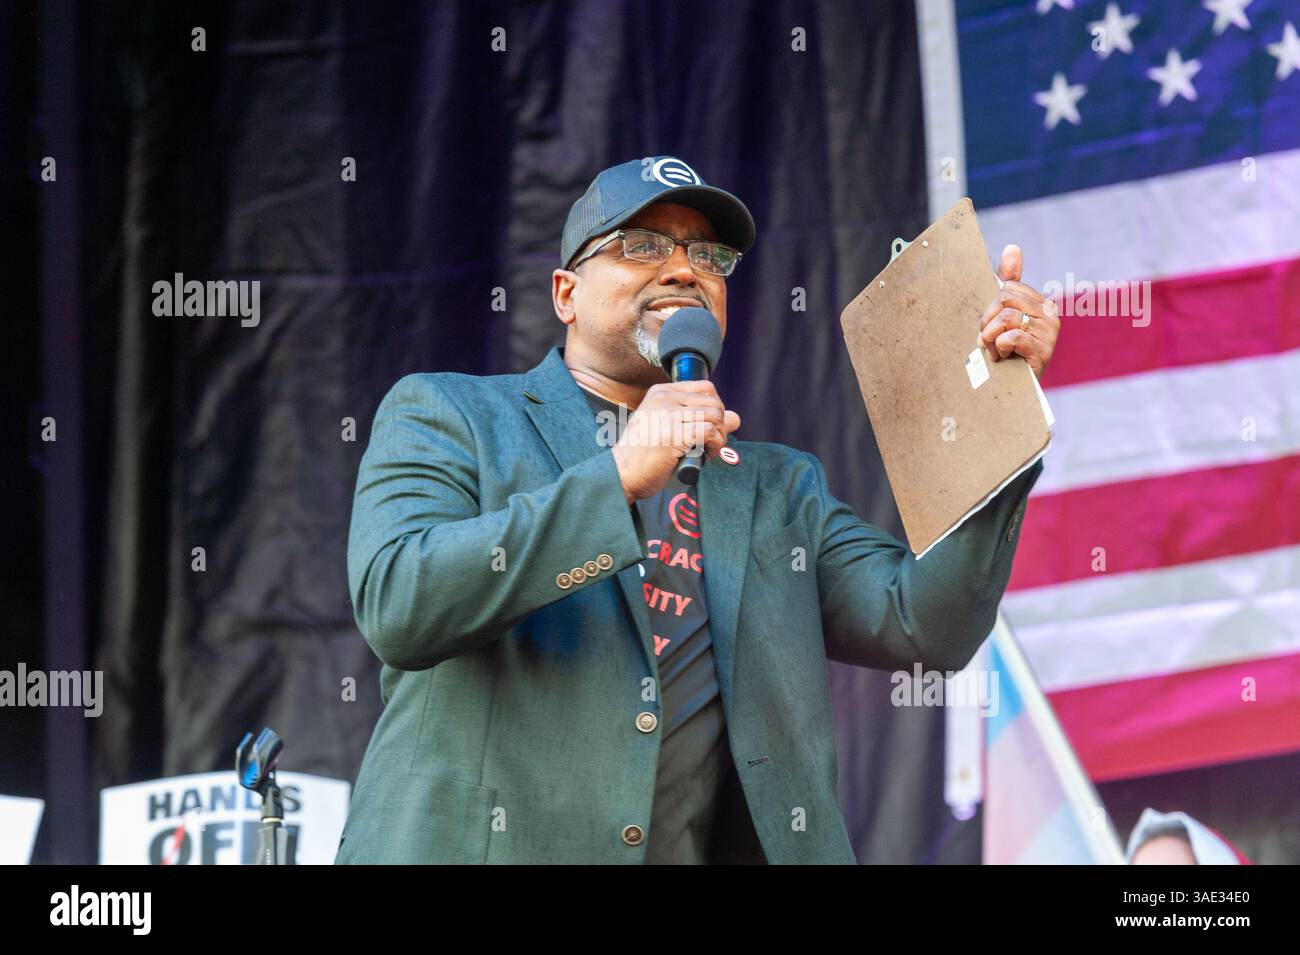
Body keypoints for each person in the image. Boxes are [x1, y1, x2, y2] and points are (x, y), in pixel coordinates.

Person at [334, 156, 1061, 864]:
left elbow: (924, 625)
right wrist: (617, 476)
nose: (685, 269)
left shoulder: (779, 488)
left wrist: (994, 408)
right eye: (642, 245)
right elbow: (401, 601)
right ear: (566, 293)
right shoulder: (453, 413)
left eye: (708, 255)